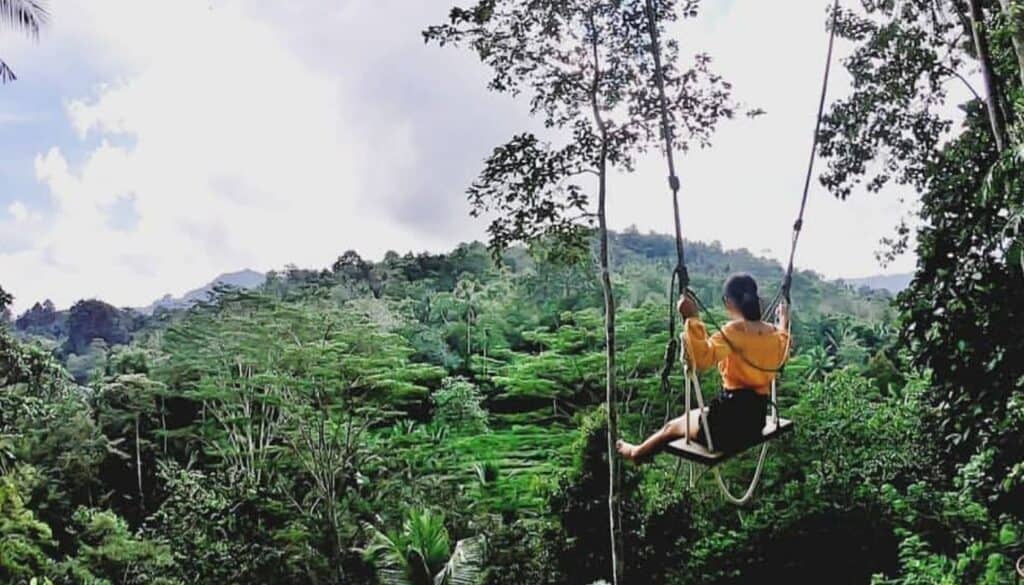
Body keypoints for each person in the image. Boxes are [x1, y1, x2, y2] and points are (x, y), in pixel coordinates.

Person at [617, 273, 790, 460]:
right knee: (694, 416)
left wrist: (692, 319)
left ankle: (636, 453)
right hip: (755, 421)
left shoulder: (734, 332)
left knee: (671, 428)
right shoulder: (774, 335)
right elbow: (784, 343)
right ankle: (637, 452)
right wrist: (783, 322)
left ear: (728, 302)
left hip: (726, 423)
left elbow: (702, 359)